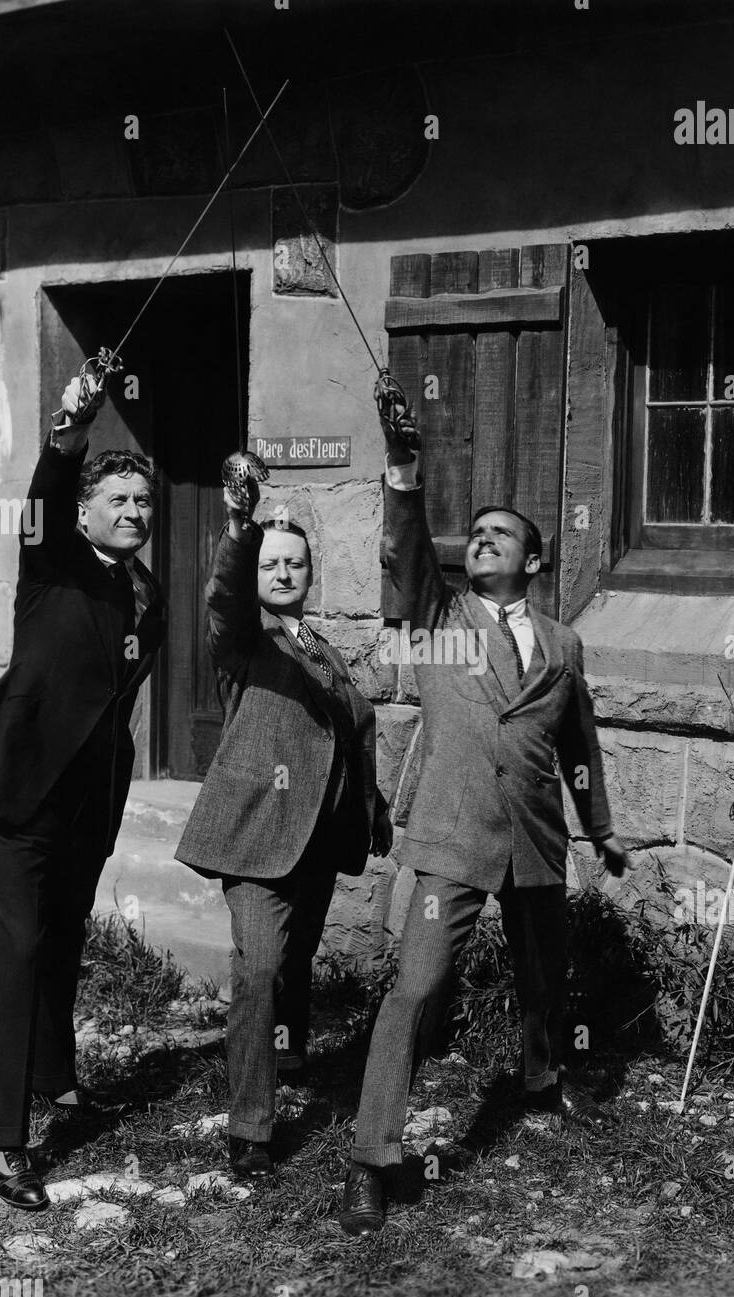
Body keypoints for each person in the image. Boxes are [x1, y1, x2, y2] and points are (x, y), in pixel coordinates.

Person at [339, 418, 629, 1234]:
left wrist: (599, 828)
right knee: (417, 990)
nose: (484, 541)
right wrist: (403, 469)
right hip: (454, 839)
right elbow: (404, 553)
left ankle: (541, 1080)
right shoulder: (438, 621)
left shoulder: (566, 646)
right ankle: (372, 1158)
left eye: (502, 535)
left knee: (544, 982)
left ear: (533, 561)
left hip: (536, 842)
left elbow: (580, 749)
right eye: (476, 535)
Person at [0, 371, 166, 1211]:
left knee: (65, 942)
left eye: (144, 502)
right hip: (20, 793)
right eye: (116, 498)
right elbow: (43, 494)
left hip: (89, 803)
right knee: (20, 952)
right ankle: (4, 1140)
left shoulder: (146, 593)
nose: (132, 512)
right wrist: (68, 431)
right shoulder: (51, 565)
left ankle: (57, 1080)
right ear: (82, 512)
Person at [175, 463, 391, 1180]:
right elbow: (225, 593)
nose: (283, 571)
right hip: (256, 836)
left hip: (319, 842)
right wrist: (241, 527)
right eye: (271, 562)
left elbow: (349, 732)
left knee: (293, 964)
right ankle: (250, 1131)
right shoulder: (244, 642)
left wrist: (374, 810)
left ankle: (290, 1055)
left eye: (295, 562)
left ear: (310, 574)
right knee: (260, 969)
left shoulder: (318, 647)